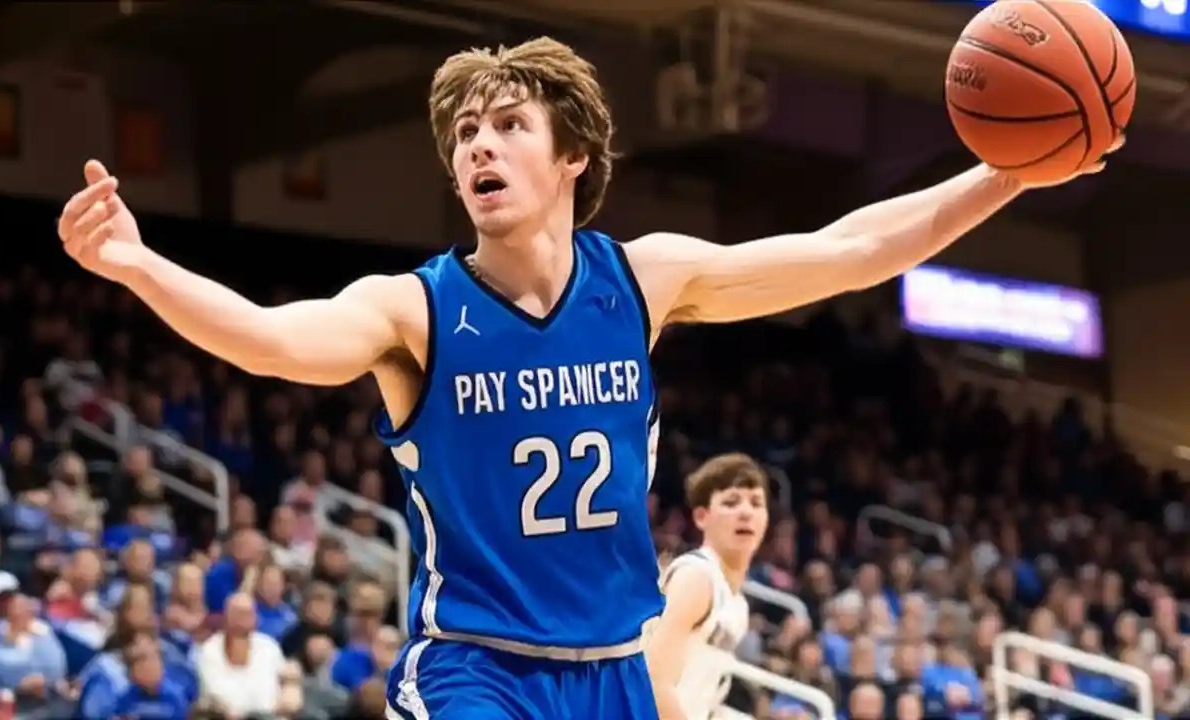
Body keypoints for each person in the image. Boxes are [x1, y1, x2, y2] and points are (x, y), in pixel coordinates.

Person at [55, 36, 1119, 720]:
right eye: (465, 132)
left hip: (612, 671)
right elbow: (268, 341)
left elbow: (850, 251)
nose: (479, 143)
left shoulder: (642, 281)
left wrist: (1004, 171)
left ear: (571, 158)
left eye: (508, 124)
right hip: (475, 669)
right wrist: (137, 264)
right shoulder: (413, 311)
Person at [645, 454, 770, 720]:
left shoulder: (737, 603)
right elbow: (654, 682)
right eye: (731, 502)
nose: (746, 512)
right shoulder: (697, 578)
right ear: (702, 517)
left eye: (756, 503)